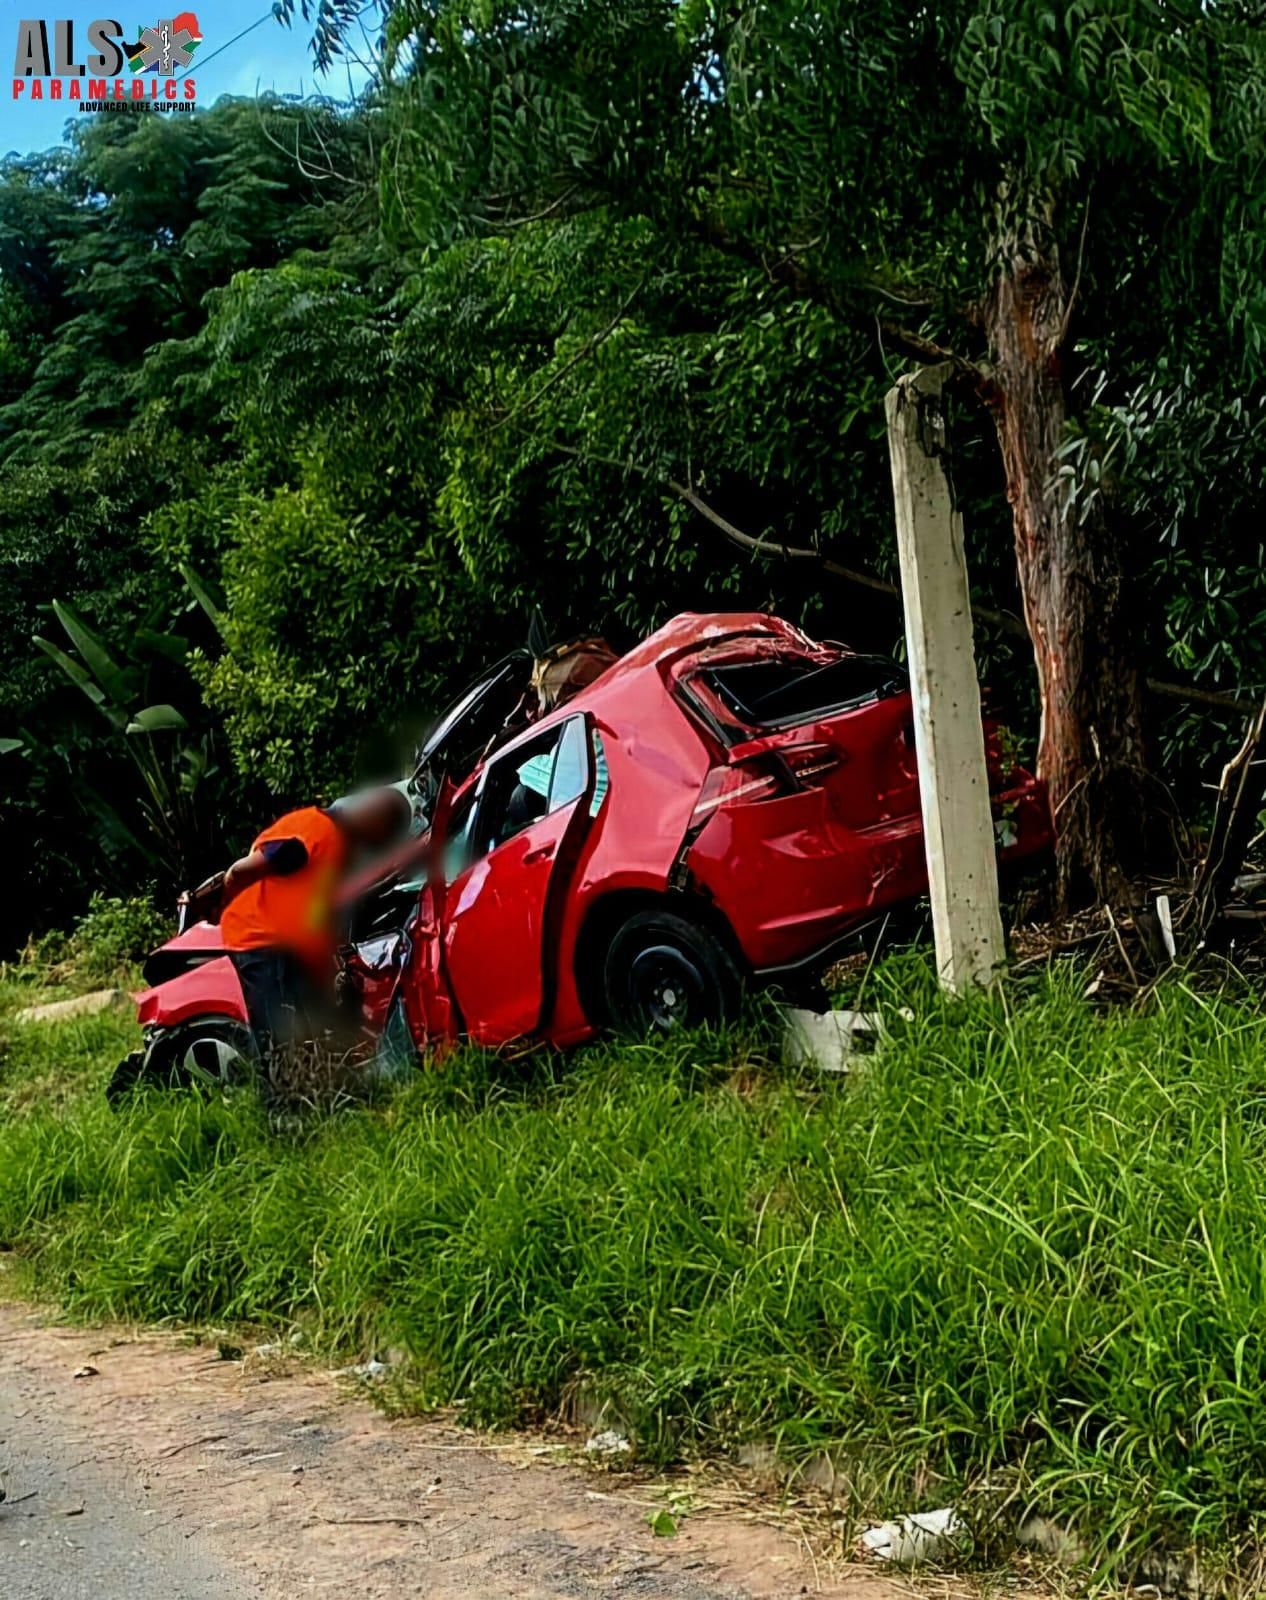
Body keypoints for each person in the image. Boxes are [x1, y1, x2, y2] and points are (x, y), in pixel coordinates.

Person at [219, 788, 411, 1061]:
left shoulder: (334, 840)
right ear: (374, 818)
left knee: (301, 1031)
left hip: (280, 943)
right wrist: (231, 892)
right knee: (280, 1037)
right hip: (263, 940)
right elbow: (242, 871)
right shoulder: (318, 830)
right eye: (388, 830)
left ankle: (305, 1092)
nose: (382, 842)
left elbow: (316, 908)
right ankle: (283, 1099)